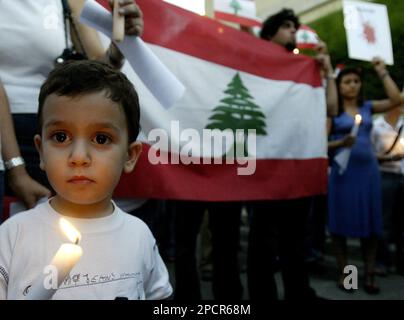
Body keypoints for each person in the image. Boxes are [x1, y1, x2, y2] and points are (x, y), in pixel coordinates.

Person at [0, 60, 172, 300]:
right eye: (60, 137)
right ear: (41, 151)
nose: (79, 157)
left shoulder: (139, 235)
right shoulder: (13, 235)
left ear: (130, 156)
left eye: (101, 139)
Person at [0, 0, 143, 209]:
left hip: (58, 134)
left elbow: (96, 69)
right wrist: (16, 168)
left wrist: (119, 45)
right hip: (17, 142)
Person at [247, 8, 337, 300]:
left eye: (294, 27)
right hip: (263, 168)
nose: (292, 31)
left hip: (295, 166)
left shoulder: (306, 67)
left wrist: (326, 70)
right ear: (271, 33)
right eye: (286, 26)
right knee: (262, 241)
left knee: (295, 239)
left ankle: (299, 292)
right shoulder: (254, 64)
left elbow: (331, 109)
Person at [327, 59, 401, 294]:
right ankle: (347, 275)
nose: (353, 85)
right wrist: (340, 142)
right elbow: (322, 142)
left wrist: (381, 72)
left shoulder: (368, 107)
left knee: (370, 226)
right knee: (340, 226)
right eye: (347, 81)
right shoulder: (333, 111)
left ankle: (369, 274)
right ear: (338, 86)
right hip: (342, 172)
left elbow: (397, 99)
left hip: (367, 172)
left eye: (356, 81)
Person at [371, 89, 404, 276]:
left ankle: (401, 262)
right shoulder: (376, 126)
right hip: (384, 176)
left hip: (403, 176)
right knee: (383, 221)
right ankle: (382, 261)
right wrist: (389, 157)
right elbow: (369, 154)